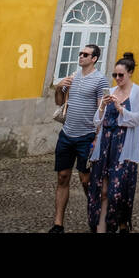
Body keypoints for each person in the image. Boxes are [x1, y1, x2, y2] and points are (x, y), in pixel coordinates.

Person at [50, 43, 109, 233]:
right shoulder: (72, 77)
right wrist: (59, 87)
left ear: (94, 59)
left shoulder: (101, 80)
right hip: (67, 134)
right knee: (62, 177)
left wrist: (98, 137)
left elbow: (102, 110)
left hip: (87, 136)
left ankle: (95, 218)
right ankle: (58, 224)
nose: (81, 56)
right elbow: (59, 102)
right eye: (80, 53)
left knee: (86, 180)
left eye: (85, 54)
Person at [87, 53, 139, 233]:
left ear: (130, 73)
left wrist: (120, 108)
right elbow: (97, 121)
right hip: (105, 144)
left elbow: (136, 119)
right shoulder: (110, 91)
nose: (117, 78)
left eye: (121, 75)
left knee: (117, 191)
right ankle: (102, 228)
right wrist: (103, 106)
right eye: (115, 75)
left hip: (123, 145)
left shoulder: (138, 92)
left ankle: (121, 222)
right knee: (102, 190)